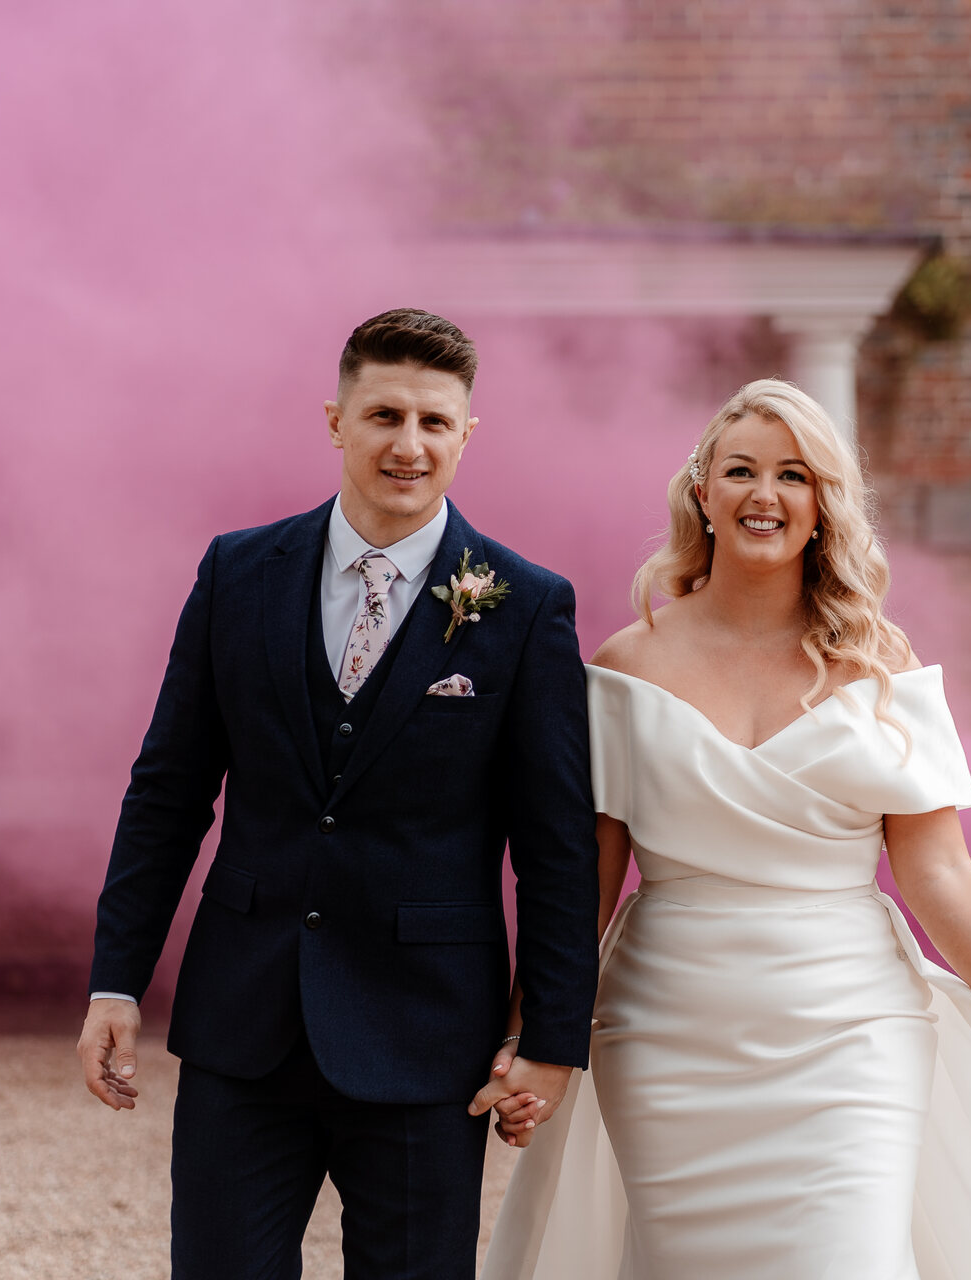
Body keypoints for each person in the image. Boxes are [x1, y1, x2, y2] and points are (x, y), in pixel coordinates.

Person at [479, 380, 971, 1279]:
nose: (764, 494)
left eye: (793, 476)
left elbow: (940, 873)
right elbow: (582, 884)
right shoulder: (623, 666)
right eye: (741, 471)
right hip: (664, 1033)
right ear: (703, 494)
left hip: (851, 1031)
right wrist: (525, 1036)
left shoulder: (881, 665)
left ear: (821, 508)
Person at [76, 309, 600, 1279]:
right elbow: (167, 789)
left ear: (466, 435)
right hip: (244, 1022)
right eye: (385, 415)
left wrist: (551, 1038)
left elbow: (557, 844)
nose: (409, 445)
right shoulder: (238, 574)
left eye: (435, 422)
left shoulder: (525, 606)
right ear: (336, 420)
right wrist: (117, 975)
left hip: (427, 1036)